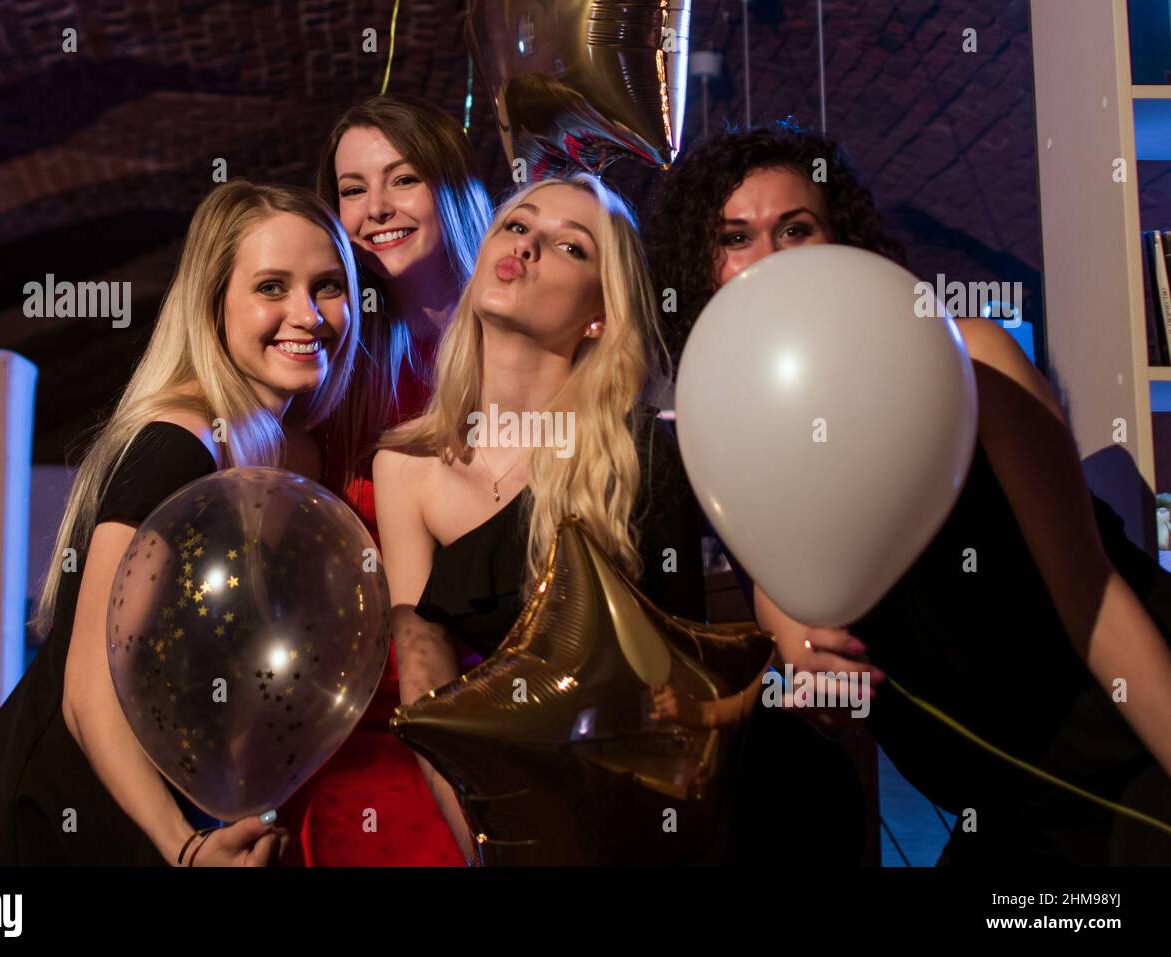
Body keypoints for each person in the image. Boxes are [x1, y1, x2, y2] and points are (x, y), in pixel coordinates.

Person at [645, 121, 1171, 865]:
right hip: (1003, 810)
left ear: (844, 244)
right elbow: (809, 644)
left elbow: (1095, 598)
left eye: (796, 228)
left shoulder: (971, 359)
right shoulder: (736, 436)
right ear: (703, 270)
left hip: (1128, 746)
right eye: (735, 238)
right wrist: (817, 682)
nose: (768, 258)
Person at [0, 180, 360, 866]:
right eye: (271, 287)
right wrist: (185, 848)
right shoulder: (176, 444)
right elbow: (89, 691)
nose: (307, 314)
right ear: (213, 303)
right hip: (46, 823)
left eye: (328, 286)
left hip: (172, 813)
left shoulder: (300, 456)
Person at [372, 172, 714, 863]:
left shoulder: (640, 450)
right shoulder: (402, 464)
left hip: (644, 818)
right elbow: (427, 690)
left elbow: (689, 684)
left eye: (570, 247)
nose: (527, 247)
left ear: (600, 316)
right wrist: (491, 845)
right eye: (519, 226)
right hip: (512, 817)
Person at [275, 94, 493, 866]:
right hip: (346, 738)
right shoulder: (334, 365)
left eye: (402, 179)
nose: (374, 209)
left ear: (454, 187)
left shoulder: (525, 347)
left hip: (492, 723)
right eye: (352, 188)